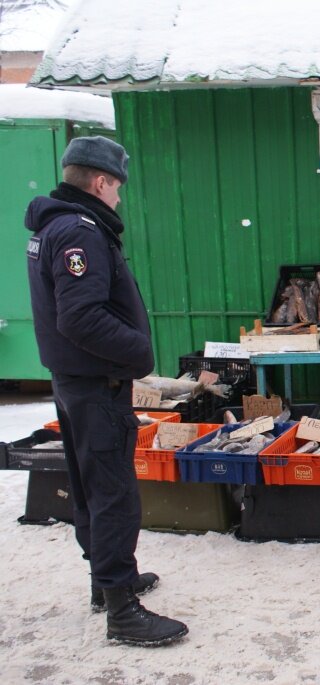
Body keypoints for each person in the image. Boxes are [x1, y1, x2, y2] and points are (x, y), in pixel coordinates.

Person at [24, 136, 188, 646]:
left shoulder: (53, 225)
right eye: (117, 188)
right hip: (97, 385)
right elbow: (80, 315)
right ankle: (122, 609)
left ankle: (108, 580)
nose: (118, 198)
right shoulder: (80, 232)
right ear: (100, 182)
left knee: (92, 485)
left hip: (74, 381)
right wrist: (138, 354)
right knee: (114, 494)